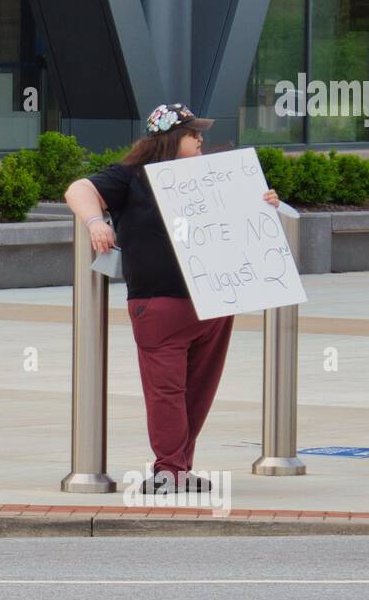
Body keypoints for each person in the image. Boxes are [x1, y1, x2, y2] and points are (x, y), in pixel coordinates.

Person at [64, 103, 281, 495]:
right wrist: (96, 221)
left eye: (200, 133)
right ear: (168, 138)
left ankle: (178, 468)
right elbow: (79, 189)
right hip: (159, 303)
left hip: (214, 300)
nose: (200, 139)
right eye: (192, 133)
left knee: (199, 389)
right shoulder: (131, 176)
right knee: (166, 390)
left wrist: (263, 203)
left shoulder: (214, 177)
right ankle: (169, 469)